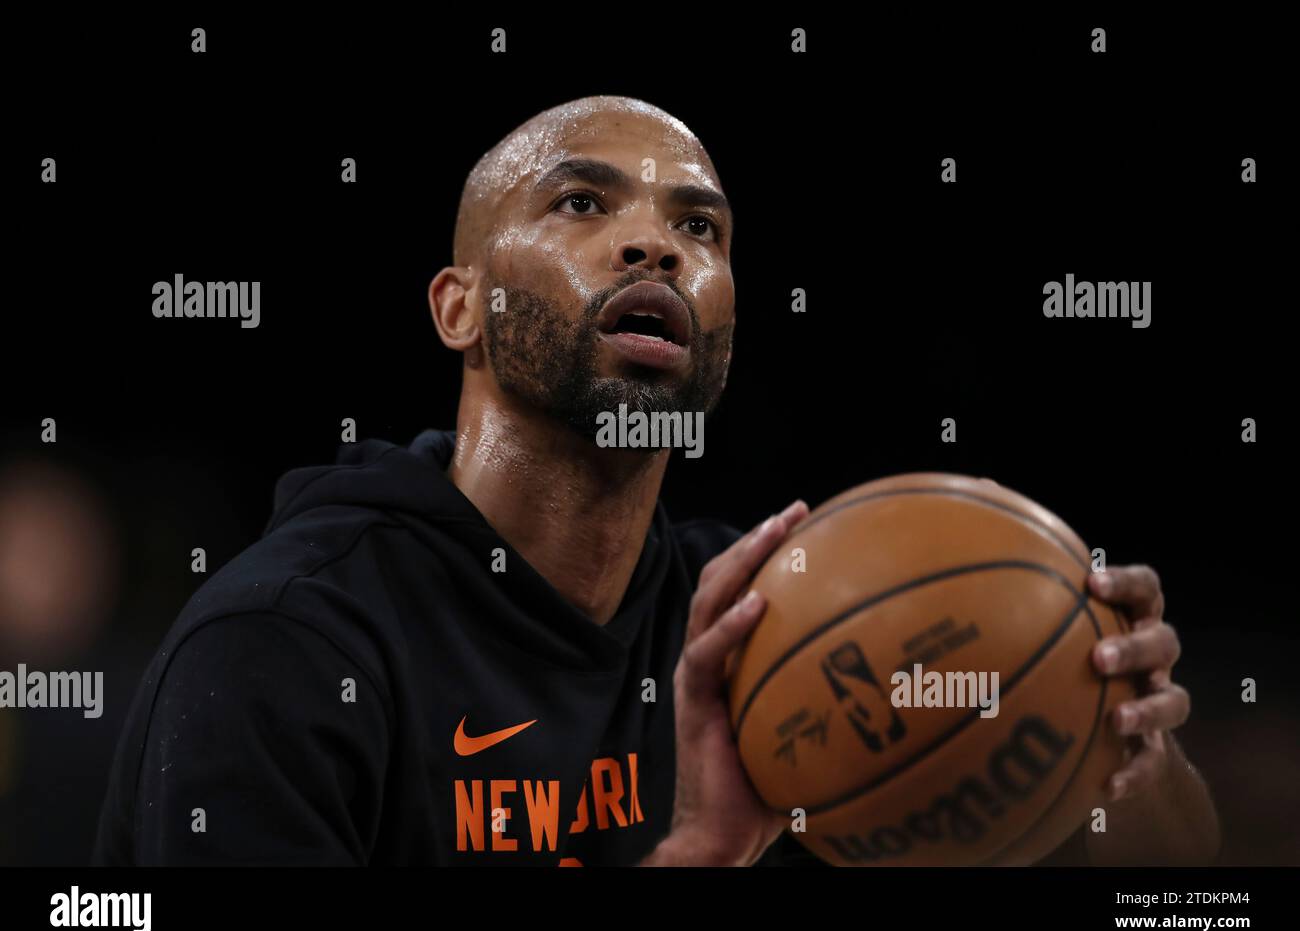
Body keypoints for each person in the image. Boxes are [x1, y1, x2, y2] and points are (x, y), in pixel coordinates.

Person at [94, 96, 1218, 866]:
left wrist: (1106, 729)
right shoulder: (285, 644)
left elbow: (1177, 882)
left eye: (699, 226)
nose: (657, 245)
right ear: (458, 307)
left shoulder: (758, 618)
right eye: (582, 203)